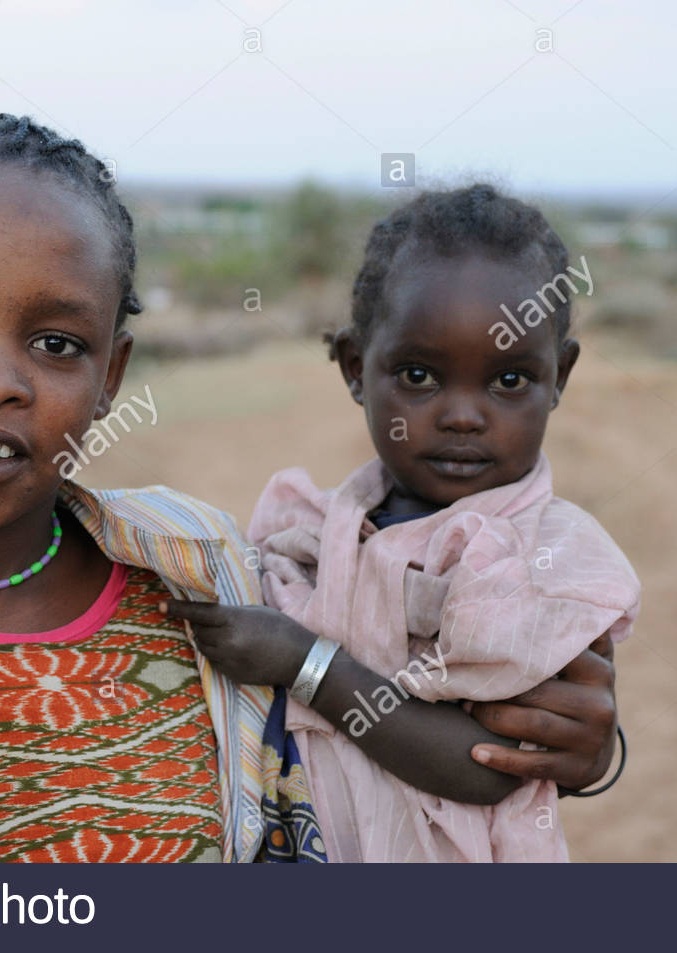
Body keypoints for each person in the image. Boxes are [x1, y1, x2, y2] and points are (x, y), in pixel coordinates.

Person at [0, 116, 621, 862]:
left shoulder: (206, 572)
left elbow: (409, 704)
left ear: (110, 375)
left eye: (56, 342)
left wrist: (575, 746)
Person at [165, 184, 640, 861]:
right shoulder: (315, 527)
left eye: (509, 381)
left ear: (559, 376)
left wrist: (307, 665)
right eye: (420, 375)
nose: (463, 415)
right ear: (357, 367)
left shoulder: (537, 557)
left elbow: (488, 763)